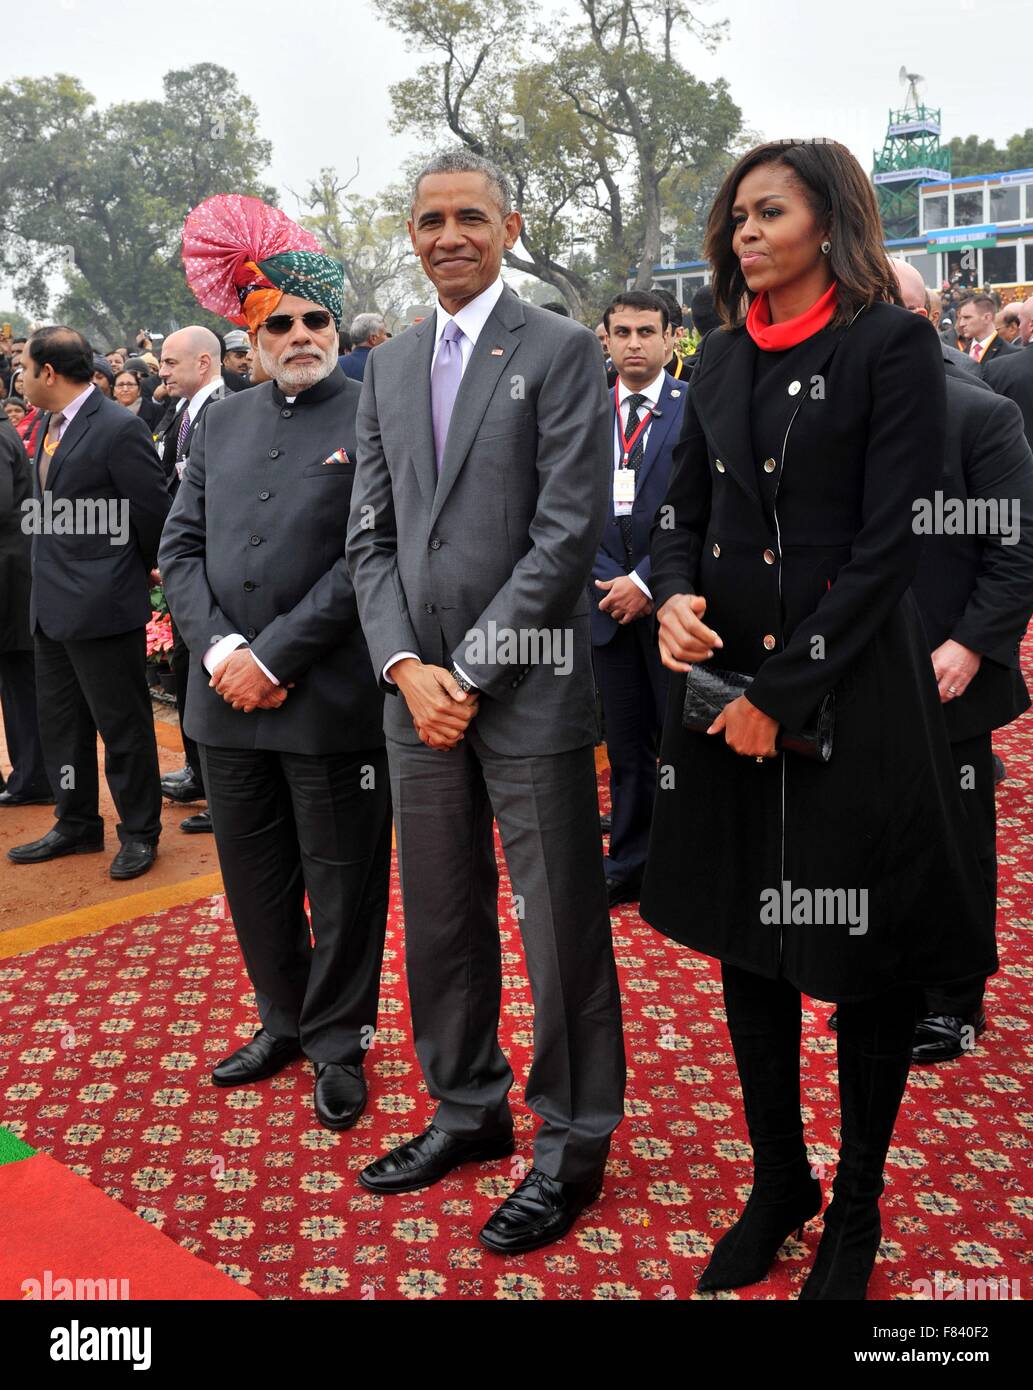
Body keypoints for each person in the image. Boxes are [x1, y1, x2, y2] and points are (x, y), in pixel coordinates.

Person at [640, 138, 996, 1301]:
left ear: (826, 221)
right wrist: (677, 593)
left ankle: (856, 1210)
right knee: (753, 940)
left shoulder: (886, 344)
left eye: (769, 211)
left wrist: (776, 700)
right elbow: (678, 506)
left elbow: (890, 542)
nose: (744, 230)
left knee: (862, 959)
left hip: (851, 694)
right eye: (735, 213)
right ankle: (779, 1179)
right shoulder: (724, 355)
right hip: (723, 683)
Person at [347, 149, 626, 1253]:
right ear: (409, 234)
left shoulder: (559, 349)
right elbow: (367, 535)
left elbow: (565, 536)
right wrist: (407, 670)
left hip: (528, 693)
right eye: (429, 219)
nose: (448, 235)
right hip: (414, 703)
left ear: (509, 227)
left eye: (469, 216)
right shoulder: (389, 363)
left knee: (558, 930)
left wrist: (467, 672)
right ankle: (466, 1108)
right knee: (442, 918)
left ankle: (572, 1139)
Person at [161, 194, 391, 1131]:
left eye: (314, 320)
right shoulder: (219, 423)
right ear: (248, 339)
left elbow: (370, 553)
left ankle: (339, 1043)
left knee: (341, 880)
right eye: (278, 323)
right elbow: (178, 549)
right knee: (254, 881)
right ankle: (282, 1022)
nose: (299, 334)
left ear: (335, 325)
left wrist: (275, 655)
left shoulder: (375, 412)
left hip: (324, 696)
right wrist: (220, 648)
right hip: (221, 699)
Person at [888, 259, 1033, 1062]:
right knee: (877, 840)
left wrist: (971, 644)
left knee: (951, 845)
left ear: (918, 321)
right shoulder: (835, 412)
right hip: (853, 672)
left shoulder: (976, 412)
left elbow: (1018, 552)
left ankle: (952, 1001)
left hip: (951, 671)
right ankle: (892, 984)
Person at [8, 327, 170, 879]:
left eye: (25, 368)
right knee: (62, 725)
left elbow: (152, 512)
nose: (20, 377)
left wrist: (132, 570)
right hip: (49, 603)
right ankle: (76, 821)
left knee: (121, 726)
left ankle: (140, 831)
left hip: (103, 606)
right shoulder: (50, 424)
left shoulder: (118, 428)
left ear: (49, 373)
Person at [591, 290, 686, 908]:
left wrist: (647, 582)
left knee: (681, 743)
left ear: (671, 337)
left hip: (673, 603)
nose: (633, 343)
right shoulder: (584, 411)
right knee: (625, 745)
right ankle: (628, 859)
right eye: (621, 332)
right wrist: (607, 581)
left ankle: (685, 862)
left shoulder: (695, 409)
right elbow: (564, 505)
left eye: (646, 332)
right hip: (602, 604)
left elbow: (704, 509)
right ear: (604, 338)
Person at [153, 327, 227, 835]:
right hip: (186, 565)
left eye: (170, 363)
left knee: (208, 672)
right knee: (185, 668)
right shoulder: (182, 413)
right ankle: (199, 771)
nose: (161, 372)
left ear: (203, 363)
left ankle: (220, 787)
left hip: (213, 566)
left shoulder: (226, 410)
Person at [0, 413, 52, 806]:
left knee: (20, 679)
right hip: (11, 573)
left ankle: (34, 777)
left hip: (9, 576)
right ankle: (31, 776)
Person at [984, 295, 1033, 462]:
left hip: (1023, 473)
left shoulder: (999, 368)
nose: (1019, 327)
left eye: (1020, 321)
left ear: (1031, 325)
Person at [959, 292, 1016, 366]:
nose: (961, 324)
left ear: (987, 318)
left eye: (967, 317)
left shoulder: (1010, 353)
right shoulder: (962, 353)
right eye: (961, 318)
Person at [340, 313, 388, 381]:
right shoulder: (385, 367)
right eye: (385, 334)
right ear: (373, 339)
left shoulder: (337, 364)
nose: (387, 339)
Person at [220, 329, 254, 394]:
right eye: (239, 356)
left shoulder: (255, 384)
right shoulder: (216, 385)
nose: (245, 361)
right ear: (225, 360)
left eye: (247, 357)